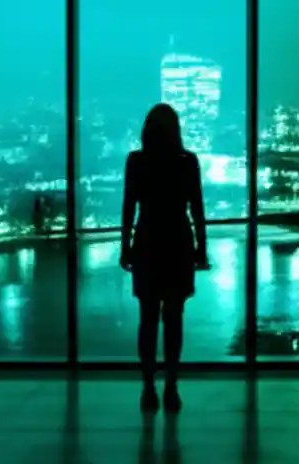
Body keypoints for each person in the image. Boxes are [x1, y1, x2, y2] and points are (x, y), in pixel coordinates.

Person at [119, 103, 209, 413]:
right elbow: (197, 208)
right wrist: (202, 248)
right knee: (174, 319)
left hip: (147, 242)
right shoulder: (187, 161)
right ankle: (171, 386)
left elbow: (129, 206)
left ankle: (148, 388)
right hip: (178, 243)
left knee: (147, 320)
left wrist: (125, 246)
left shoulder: (136, 161)